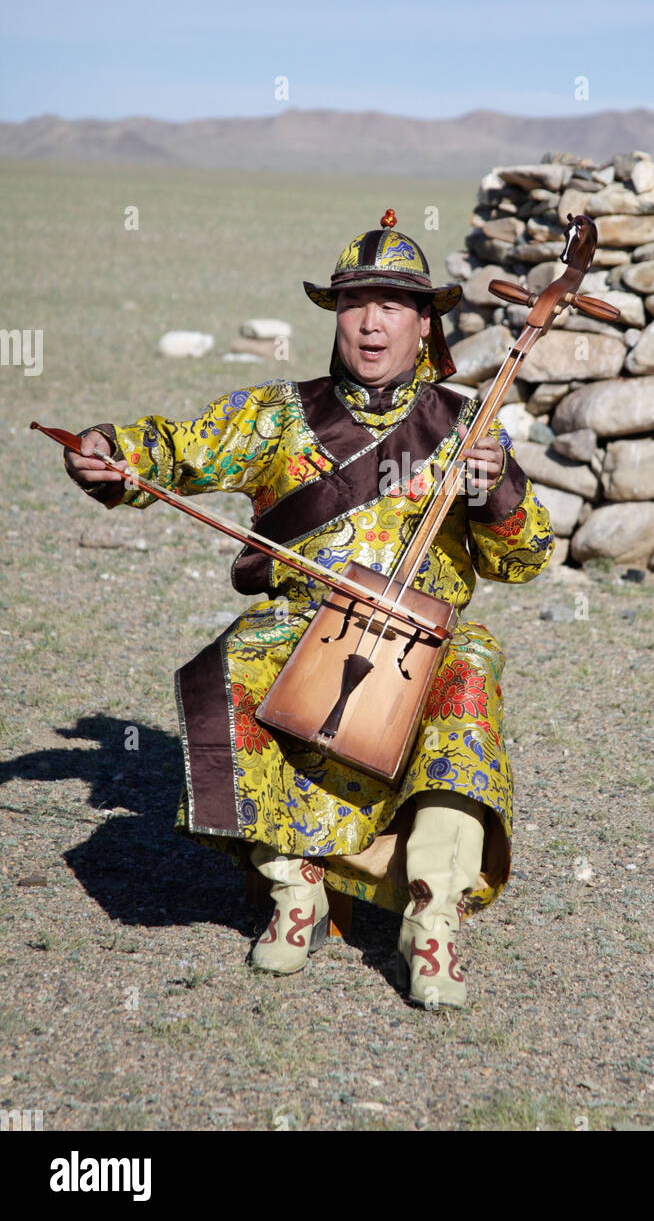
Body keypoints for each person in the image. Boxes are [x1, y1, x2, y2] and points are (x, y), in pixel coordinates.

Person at [63, 211, 554, 1010]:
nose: (371, 320)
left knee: (467, 678)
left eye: (393, 304)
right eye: (355, 301)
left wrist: (494, 487)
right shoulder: (277, 414)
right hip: (303, 620)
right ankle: (296, 892)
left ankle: (434, 914)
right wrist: (113, 452)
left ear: (423, 322)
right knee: (231, 667)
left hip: (422, 634)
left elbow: (526, 558)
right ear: (335, 313)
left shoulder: (467, 425)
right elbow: (180, 447)